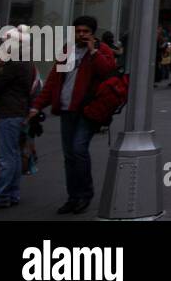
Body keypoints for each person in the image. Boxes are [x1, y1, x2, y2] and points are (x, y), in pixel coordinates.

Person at [28, 16, 116, 215]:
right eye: (78, 31)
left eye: (85, 31)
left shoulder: (102, 51)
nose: (81, 35)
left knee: (78, 149)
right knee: (69, 155)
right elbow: (53, 81)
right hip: (67, 109)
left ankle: (85, 194)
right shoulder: (67, 51)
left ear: (93, 33)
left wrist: (93, 51)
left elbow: (107, 72)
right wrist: (37, 106)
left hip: (88, 111)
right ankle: (73, 196)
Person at [0, 27, 36, 211]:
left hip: (9, 112)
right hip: (18, 111)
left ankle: (0, 196)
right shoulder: (26, 62)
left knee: (7, 157)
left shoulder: (14, 65)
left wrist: (1, 68)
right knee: (15, 155)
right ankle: (11, 193)